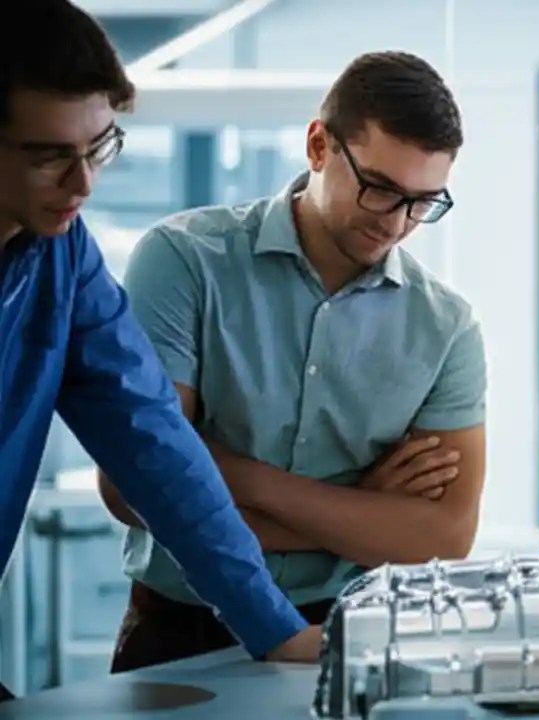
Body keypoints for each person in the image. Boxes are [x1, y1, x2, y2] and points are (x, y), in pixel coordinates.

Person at [95, 51, 487, 672]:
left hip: (351, 635)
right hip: (179, 632)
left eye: (423, 202)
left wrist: (223, 473)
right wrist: (358, 511)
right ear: (318, 145)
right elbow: (132, 487)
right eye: (381, 189)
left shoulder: (446, 327)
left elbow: (441, 539)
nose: (398, 223)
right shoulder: (184, 262)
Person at [0, 0, 318, 698]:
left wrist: (273, 627)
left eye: (101, 147)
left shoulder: (63, 260)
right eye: (51, 156)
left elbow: (155, 441)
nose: (83, 183)